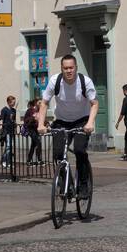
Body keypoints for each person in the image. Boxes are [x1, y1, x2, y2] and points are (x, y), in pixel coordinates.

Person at [42, 54, 98, 198]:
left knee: (79, 150)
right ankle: (67, 184)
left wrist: (90, 123)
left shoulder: (85, 82)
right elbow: (44, 103)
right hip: (61, 120)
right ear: (62, 69)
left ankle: (84, 184)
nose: (68, 71)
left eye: (71, 68)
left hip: (82, 121)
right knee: (58, 153)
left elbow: (95, 103)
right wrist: (40, 124)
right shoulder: (55, 81)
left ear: (76, 68)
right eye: (65, 68)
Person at [0, 95, 18, 168]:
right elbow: (0, 118)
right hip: (6, 130)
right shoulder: (5, 109)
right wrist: (7, 116)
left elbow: (14, 120)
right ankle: (4, 161)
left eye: (14, 102)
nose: (14, 104)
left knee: (9, 147)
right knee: (8, 146)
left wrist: (14, 125)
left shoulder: (14, 110)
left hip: (11, 130)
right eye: (13, 102)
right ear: (9, 102)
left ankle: (7, 161)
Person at [22, 98, 44, 164]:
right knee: (38, 142)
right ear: (35, 103)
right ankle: (39, 159)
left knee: (33, 145)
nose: (40, 104)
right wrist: (33, 118)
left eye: (41, 103)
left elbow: (41, 119)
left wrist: (46, 123)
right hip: (31, 130)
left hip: (36, 130)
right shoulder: (30, 110)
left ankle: (29, 160)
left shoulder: (39, 110)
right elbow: (26, 120)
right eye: (39, 103)